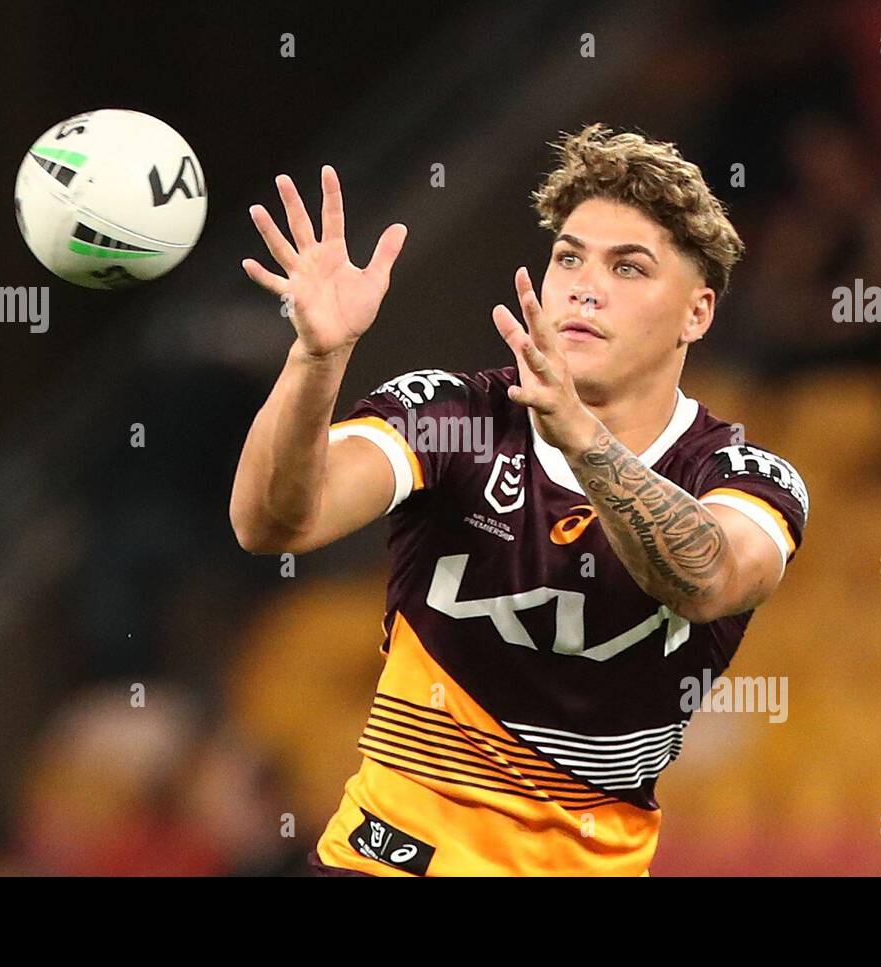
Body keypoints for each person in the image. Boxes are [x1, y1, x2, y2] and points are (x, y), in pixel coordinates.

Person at [231, 124, 809, 876]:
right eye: (568, 256)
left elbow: (707, 579)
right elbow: (273, 522)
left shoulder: (743, 475)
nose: (583, 285)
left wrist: (583, 441)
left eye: (628, 268)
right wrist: (317, 357)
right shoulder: (454, 417)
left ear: (696, 314)